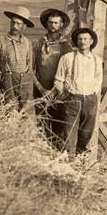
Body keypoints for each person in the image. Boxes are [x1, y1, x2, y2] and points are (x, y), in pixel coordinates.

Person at [53, 27, 103, 155]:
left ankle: (80, 164)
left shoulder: (97, 60)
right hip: (72, 99)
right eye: (80, 39)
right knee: (69, 136)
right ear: (76, 41)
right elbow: (58, 80)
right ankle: (69, 164)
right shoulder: (67, 58)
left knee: (86, 135)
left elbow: (98, 80)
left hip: (90, 101)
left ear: (91, 41)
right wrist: (65, 96)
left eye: (86, 39)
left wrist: (93, 95)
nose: (82, 41)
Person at [34, 8, 73, 141]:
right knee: (41, 123)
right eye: (51, 22)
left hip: (58, 91)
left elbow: (69, 71)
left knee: (58, 125)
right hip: (41, 90)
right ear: (46, 24)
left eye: (56, 23)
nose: (53, 26)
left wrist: (56, 89)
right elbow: (32, 68)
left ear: (61, 24)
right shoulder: (39, 43)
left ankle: (56, 154)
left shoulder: (66, 45)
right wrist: (40, 88)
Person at [0, 6, 36, 109]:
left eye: (18, 24)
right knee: (10, 113)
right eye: (13, 22)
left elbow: (30, 69)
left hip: (25, 85)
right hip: (8, 83)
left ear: (24, 26)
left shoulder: (28, 43)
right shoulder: (1, 41)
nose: (14, 26)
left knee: (26, 115)